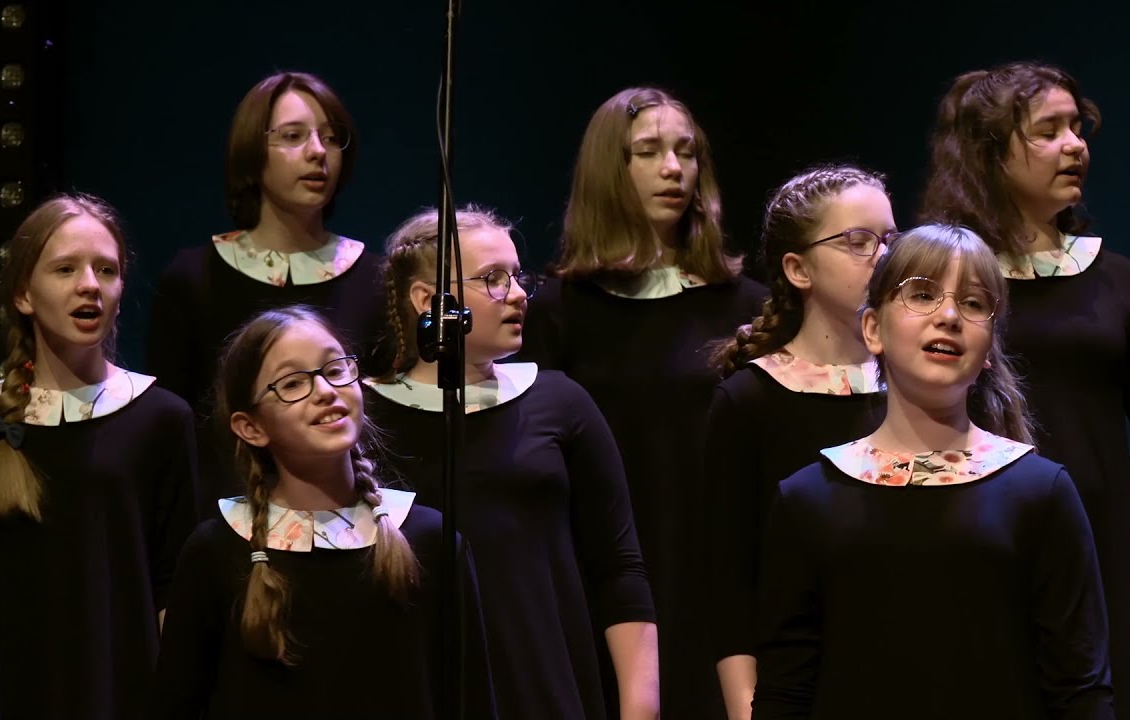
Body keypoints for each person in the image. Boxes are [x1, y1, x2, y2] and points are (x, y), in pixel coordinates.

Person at [753, 224, 1112, 719]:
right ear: (873, 329)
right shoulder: (808, 499)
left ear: (989, 348)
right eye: (922, 294)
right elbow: (784, 690)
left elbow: (1081, 690)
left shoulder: (1039, 493)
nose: (947, 316)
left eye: (972, 303)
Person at [517, 86, 766, 716]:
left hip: (713, 565)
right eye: (648, 152)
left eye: (686, 153)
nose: (673, 169)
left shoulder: (745, 306)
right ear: (610, 168)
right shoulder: (558, 313)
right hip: (607, 573)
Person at [367, 206, 659, 719]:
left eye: (516, 277)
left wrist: (640, 705)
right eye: (494, 280)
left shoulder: (558, 401)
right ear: (429, 300)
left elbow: (618, 568)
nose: (520, 294)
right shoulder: (369, 419)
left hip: (545, 690)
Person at [921, 61, 1130, 718]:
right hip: (987, 531)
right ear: (992, 152)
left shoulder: (1117, 279)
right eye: (1050, 131)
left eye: (1079, 129)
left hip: (1109, 534)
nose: (1075, 145)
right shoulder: (949, 283)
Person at [153, 306, 495, 719]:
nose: (325, 391)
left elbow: (469, 699)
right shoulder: (216, 552)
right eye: (294, 383)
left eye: (334, 369)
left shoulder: (430, 539)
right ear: (251, 427)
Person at [0, 194, 198, 719]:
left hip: (123, 691)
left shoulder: (160, 418)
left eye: (107, 270)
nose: (90, 285)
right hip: (8, 692)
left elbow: (174, 584)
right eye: (66, 269)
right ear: (23, 294)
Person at [147, 70, 386, 514]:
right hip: (224, 520)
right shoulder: (194, 278)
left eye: (332, 138)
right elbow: (171, 431)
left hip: (351, 516)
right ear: (253, 152)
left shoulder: (374, 279)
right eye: (293, 136)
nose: (317, 153)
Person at [706, 166, 894, 720]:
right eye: (859, 242)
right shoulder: (752, 400)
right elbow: (728, 582)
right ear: (798, 268)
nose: (883, 257)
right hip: (803, 689)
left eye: (891, 240)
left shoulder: (920, 386)